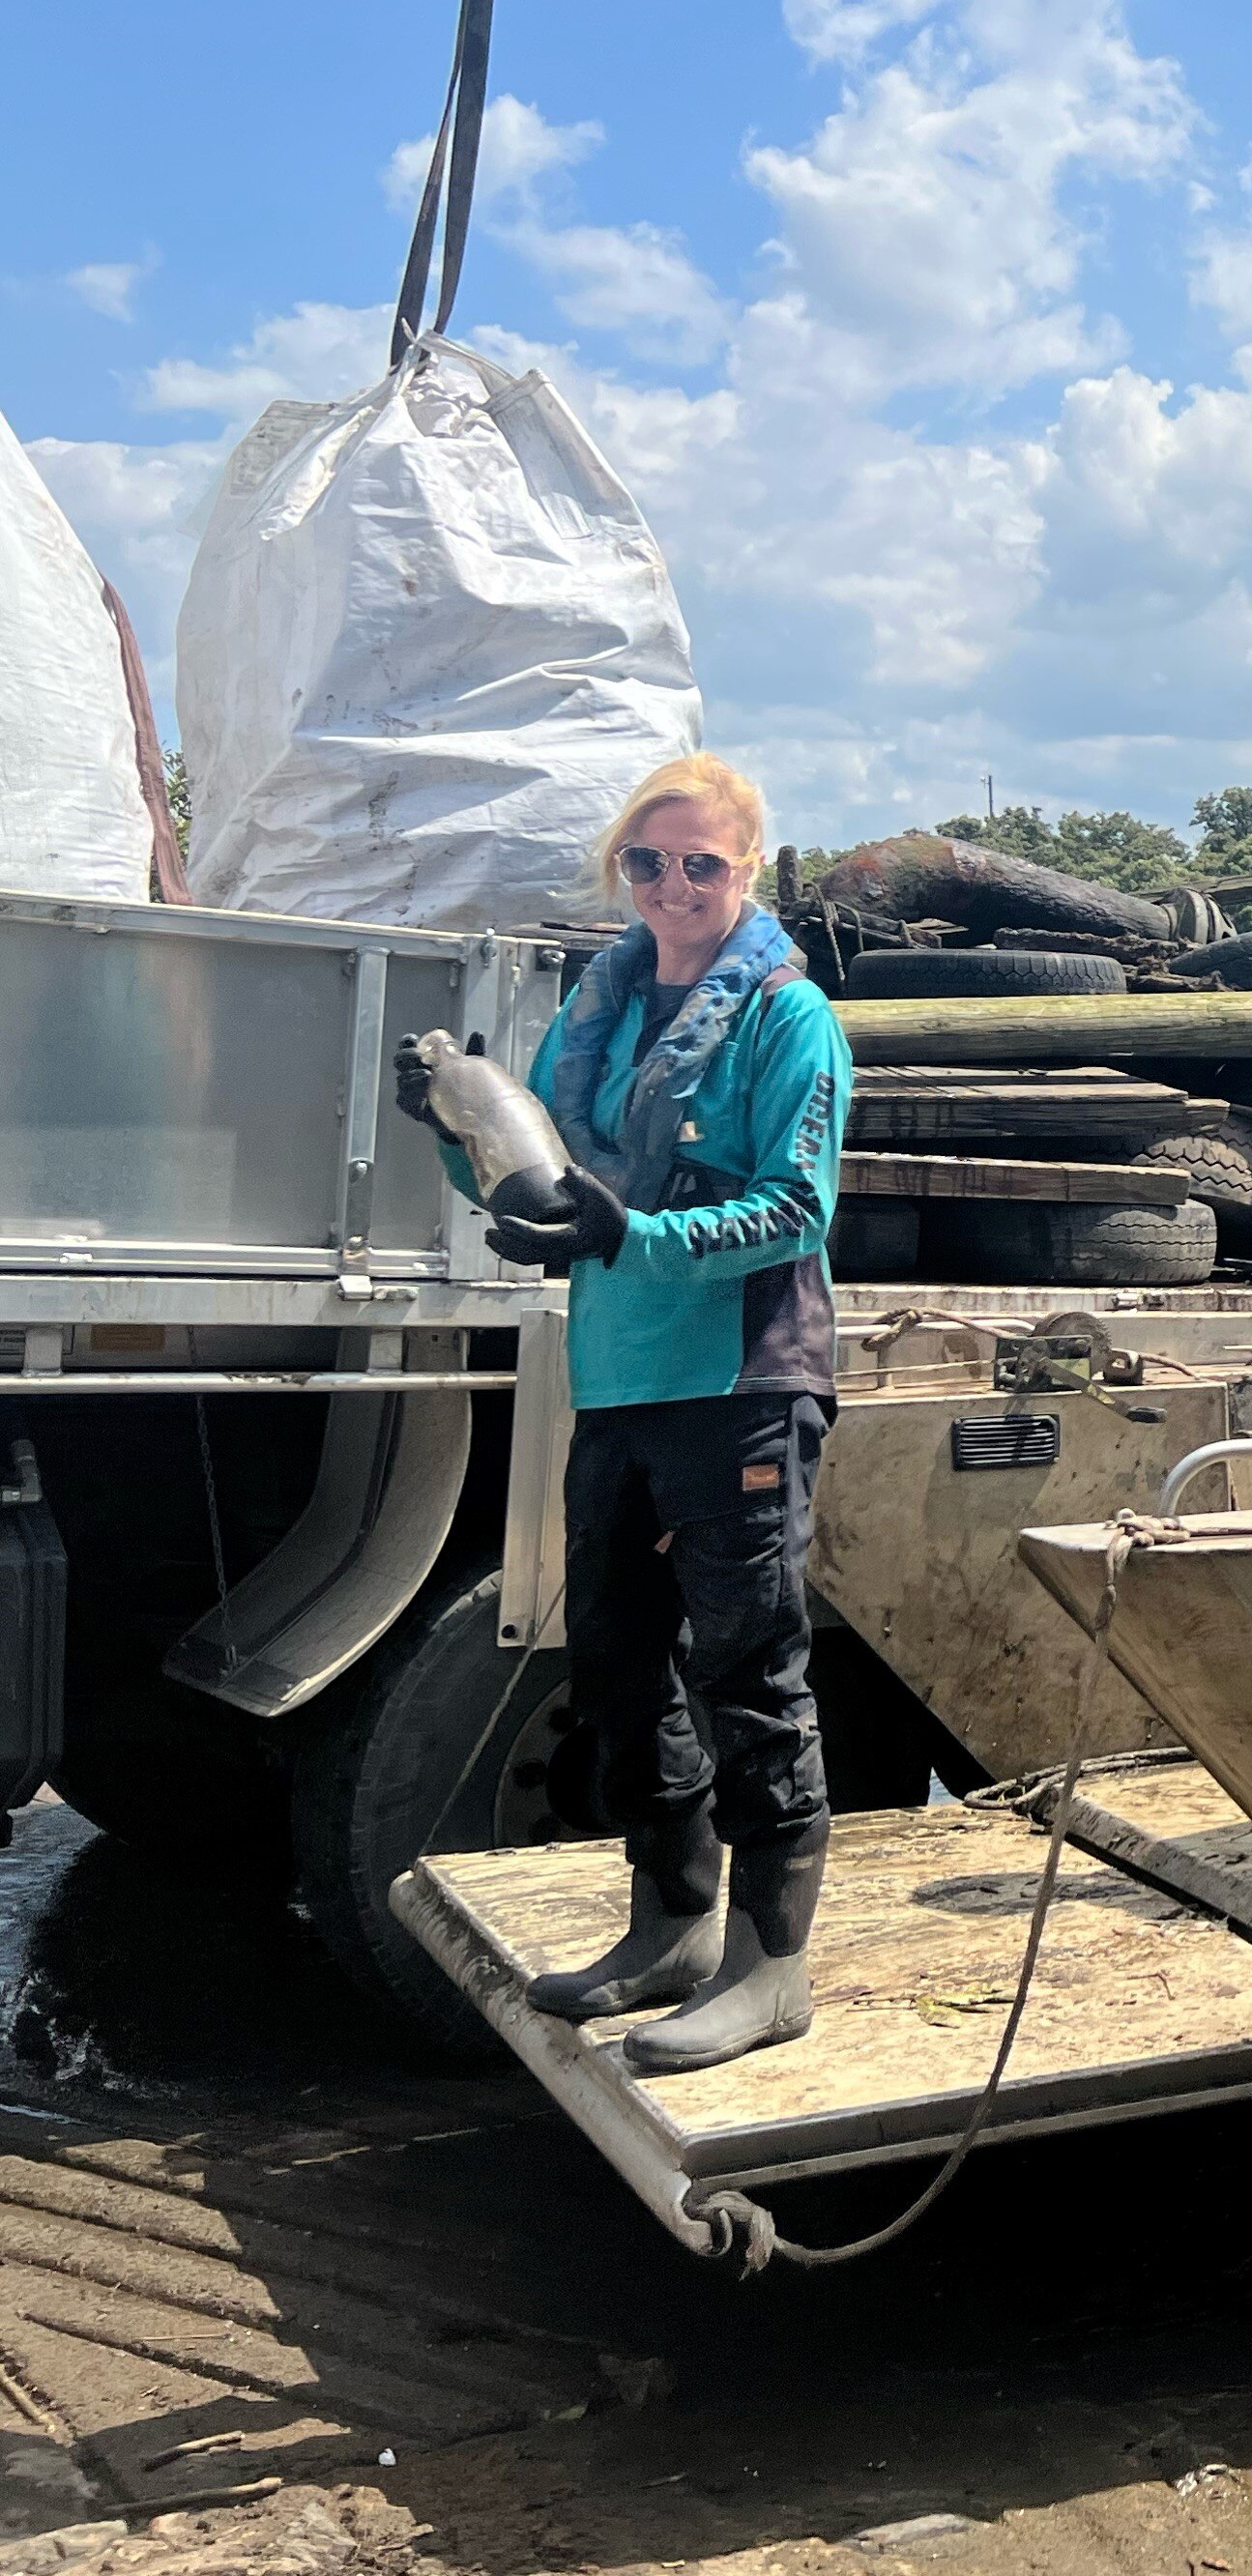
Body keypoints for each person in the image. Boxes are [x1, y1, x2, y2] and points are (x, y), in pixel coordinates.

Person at [397, 754, 851, 2074]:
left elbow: (796, 1209)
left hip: (741, 1382)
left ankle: (774, 1967)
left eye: (702, 863)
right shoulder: (595, 1011)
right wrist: (450, 1126)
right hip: (617, 1379)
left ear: (745, 869)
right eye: (648, 862)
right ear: (622, 872)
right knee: (612, 1661)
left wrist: (630, 1233)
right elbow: (534, 1173)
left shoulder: (788, 1016)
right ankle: (672, 1926)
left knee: (749, 1672)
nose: (673, 885)